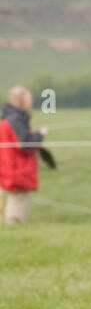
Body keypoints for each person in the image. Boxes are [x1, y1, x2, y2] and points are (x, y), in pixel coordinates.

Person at [0, 85, 47, 225]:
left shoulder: (9, 118)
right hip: (17, 168)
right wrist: (40, 135)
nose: (31, 101)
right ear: (21, 101)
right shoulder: (16, 120)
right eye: (29, 98)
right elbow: (25, 145)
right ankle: (13, 229)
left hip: (8, 166)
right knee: (19, 200)